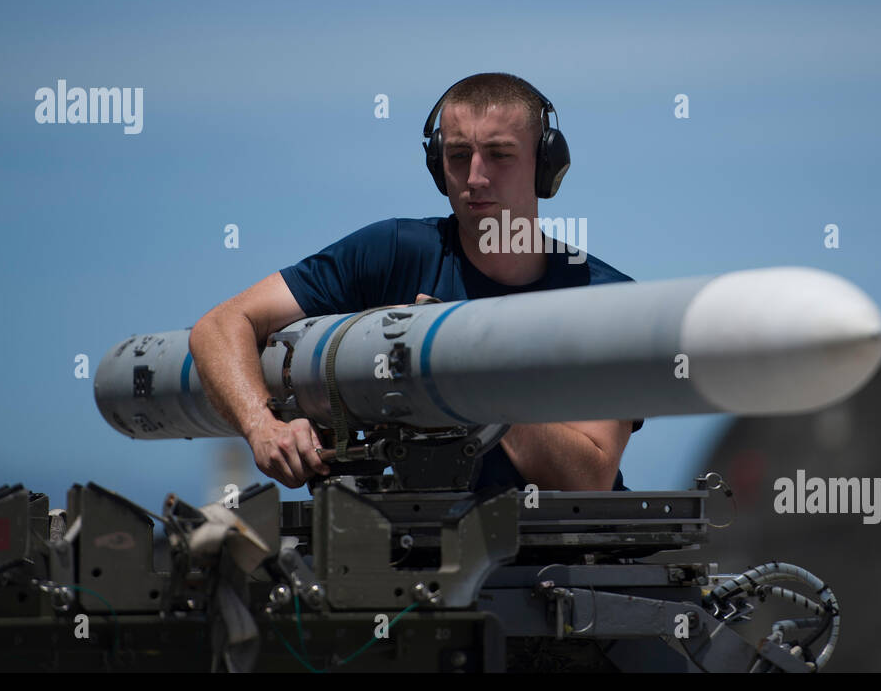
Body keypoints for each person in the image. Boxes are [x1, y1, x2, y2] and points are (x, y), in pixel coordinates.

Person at [188, 72, 641, 492]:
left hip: (563, 563)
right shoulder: (393, 253)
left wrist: (463, 367)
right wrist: (262, 425)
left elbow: (590, 475)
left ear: (544, 166)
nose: (476, 177)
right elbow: (221, 325)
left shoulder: (602, 301)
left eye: (500, 155)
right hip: (405, 553)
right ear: (436, 164)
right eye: (459, 156)